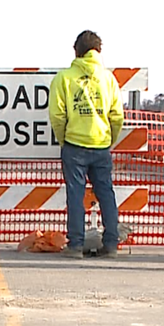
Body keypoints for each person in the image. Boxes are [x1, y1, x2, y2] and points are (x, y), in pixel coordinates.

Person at [48, 30, 124, 258]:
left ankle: (75, 245)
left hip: (74, 144)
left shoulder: (64, 78)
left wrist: (64, 139)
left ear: (76, 51)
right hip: (101, 144)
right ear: (98, 51)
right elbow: (117, 116)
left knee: (75, 195)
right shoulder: (108, 79)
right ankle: (111, 244)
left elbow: (57, 115)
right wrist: (109, 139)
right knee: (106, 194)